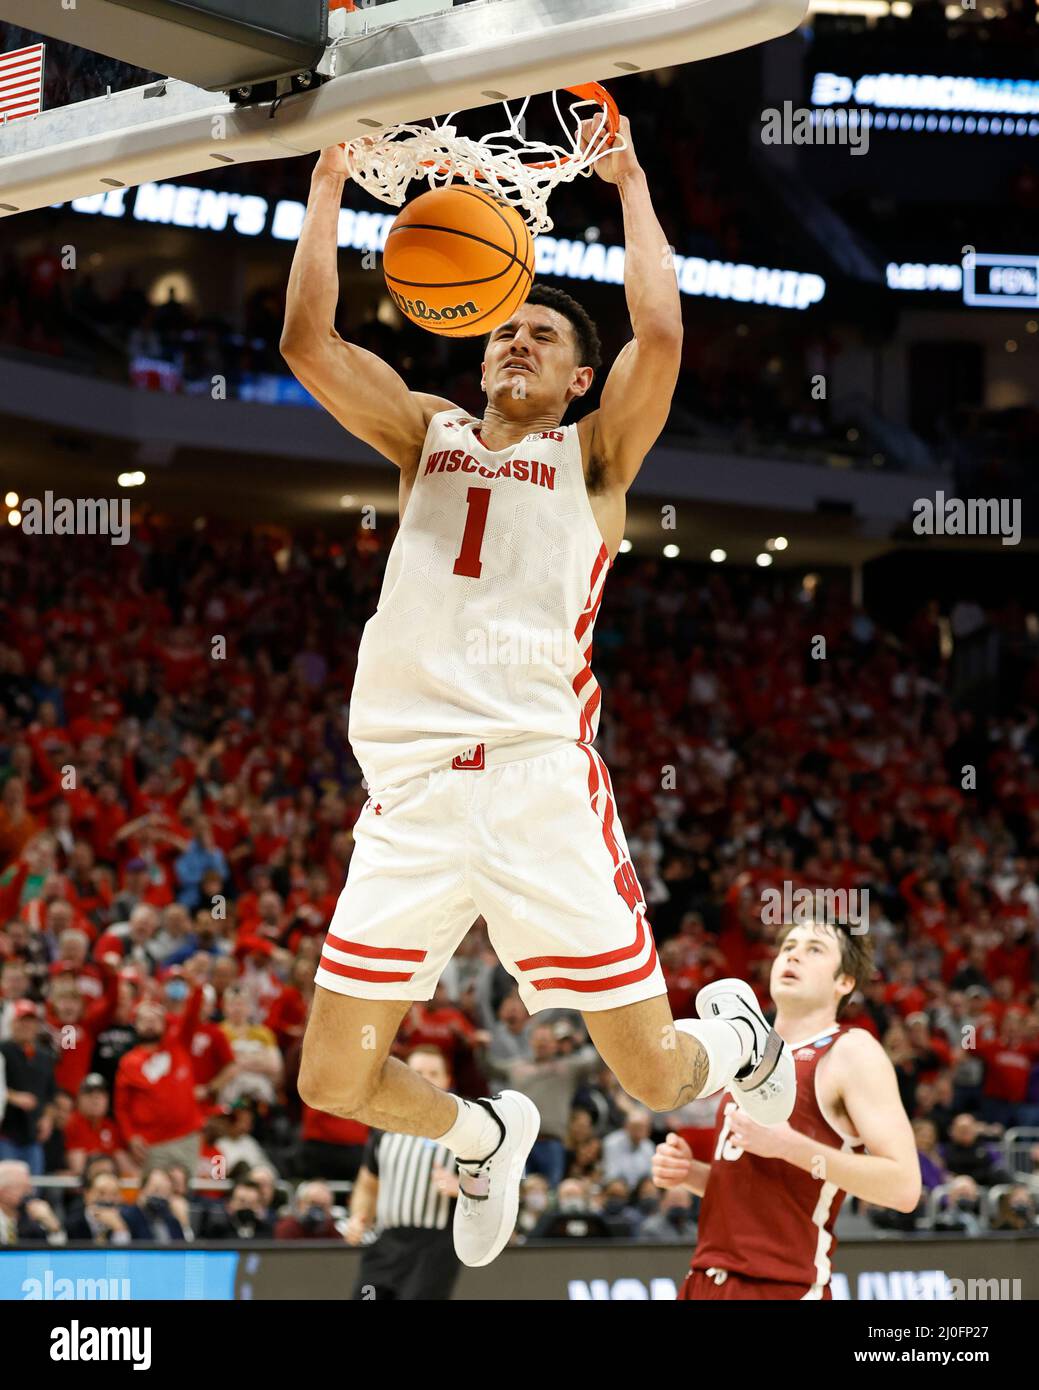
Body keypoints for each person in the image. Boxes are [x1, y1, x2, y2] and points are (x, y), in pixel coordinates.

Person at [286, 122, 796, 1269]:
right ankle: (482, 1130)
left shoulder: (596, 459)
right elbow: (304, 337)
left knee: (657, 1075)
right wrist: (326, 181)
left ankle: (736, 1034)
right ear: (476, 350)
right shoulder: (424, 436)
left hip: (535, 790)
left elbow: (660, 330)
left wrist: (630, 183)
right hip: (411, 795)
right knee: (331, 1078)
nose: (519, 338)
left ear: (577, 377)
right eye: (505, 325)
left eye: (545, 332)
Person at [653, 920, 921, 1300]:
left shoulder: (851, 1050)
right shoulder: (750, 1053)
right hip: (704, 1281)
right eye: (789, 946)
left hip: (782, 1287)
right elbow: (764, 1186)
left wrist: (789, 1146)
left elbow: (904, 1187)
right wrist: (691, 1174)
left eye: (814, 949)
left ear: (844, 981)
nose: (793, 954)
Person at [346, 1046, 462, 1300]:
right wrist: (359, 1216)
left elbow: (498, 1182)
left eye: (434, 1072)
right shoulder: (383, 1128)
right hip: (385, 1245)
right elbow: (367, 1185)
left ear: (446, 1080)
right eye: (418, 1072)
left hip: (434, 1249)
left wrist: (462, 1186)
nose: (426, 1078)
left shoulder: (462, 1131)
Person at [0, 1000, 56, 1174]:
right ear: (12, 1023)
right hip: (6, 1134)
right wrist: (13, 1097)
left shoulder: (45, 1056)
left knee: (33, 1188)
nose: (26, 1026)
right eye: (22, 1020)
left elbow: (50, 1093)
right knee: (7, 1187)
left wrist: (48, 1119)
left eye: (30, 1021)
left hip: (33, 1137)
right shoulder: (3, 1051)